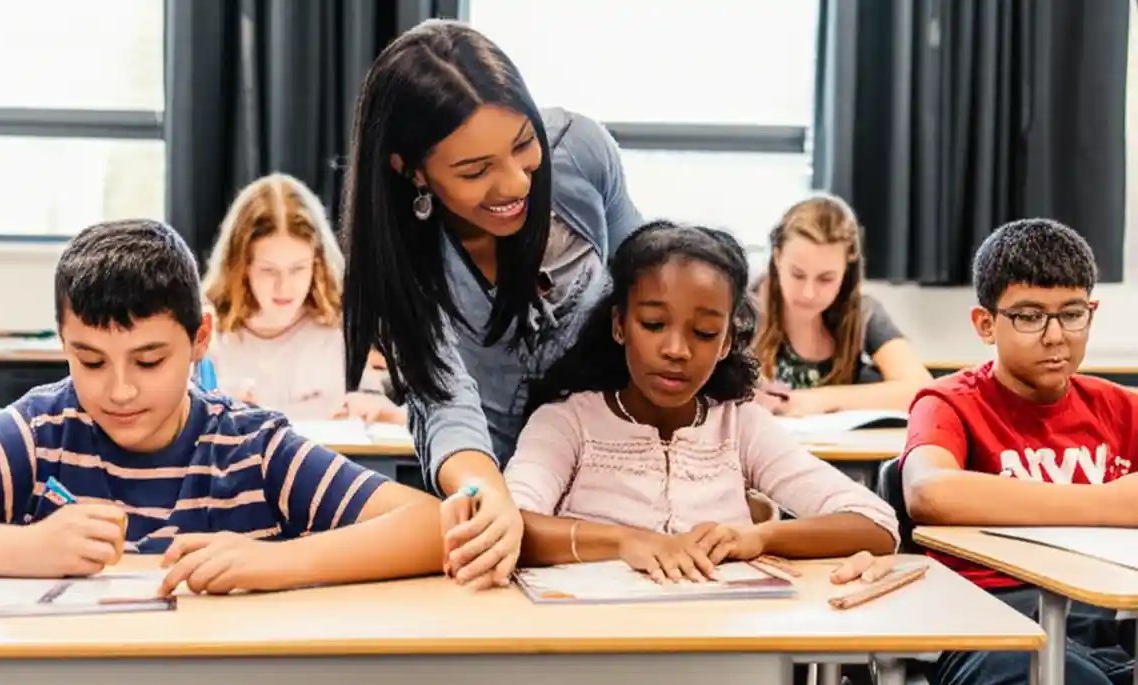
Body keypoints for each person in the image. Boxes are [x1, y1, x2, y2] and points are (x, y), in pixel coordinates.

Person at [0, 220, 451, 597]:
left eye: (148, 362)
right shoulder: (43, 433)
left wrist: (275, 564)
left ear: (199, 340)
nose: (118, 391)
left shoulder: (250, 447)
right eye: (89, 361)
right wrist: (26, 551)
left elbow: (431, 526)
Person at [341, 19, 645, 588]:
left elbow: (648, 278)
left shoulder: (581, 153)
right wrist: (492, 500)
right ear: (409, 169)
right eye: (475, 171)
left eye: (523, 144)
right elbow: (446, 407)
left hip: (625, 473)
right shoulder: (402, 263)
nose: (514, 184)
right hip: (508, 502)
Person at [502, 220, 897, 583]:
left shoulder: (741, 426)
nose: (677, 350)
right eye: (654, 324)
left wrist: (759, 537)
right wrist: (625, 542)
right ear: (619, 324)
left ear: (726, 341)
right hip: (598, 644)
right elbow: (509, 524)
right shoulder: (567, 422)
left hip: (722, 645)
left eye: (705, 333)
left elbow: (876, 523)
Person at [902, 218, 1137, 685]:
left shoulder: (1120, 406)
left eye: (1072, 314)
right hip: (984, 628)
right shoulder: (949, 402)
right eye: (1030, 317)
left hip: (1101, 625)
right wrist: (1112, 503)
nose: (1055, 337)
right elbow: (930, 492)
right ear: (986, 324)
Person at [201, 173, 403, 423]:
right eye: (268, 270)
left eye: (298, 269)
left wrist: (378, 409)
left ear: (317, 264)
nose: (284, 287)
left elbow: (377, 413)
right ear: (242, 268)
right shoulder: (210, 337)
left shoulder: (339, 329)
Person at [753, 194, 931, 416]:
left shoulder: (863, 313)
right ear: (778, 258)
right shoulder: (741, 310)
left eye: (825, 279)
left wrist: (820, 399)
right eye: (797, 275)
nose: (809, 293)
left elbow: (920, 388)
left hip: (838, 448)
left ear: (847, 268)